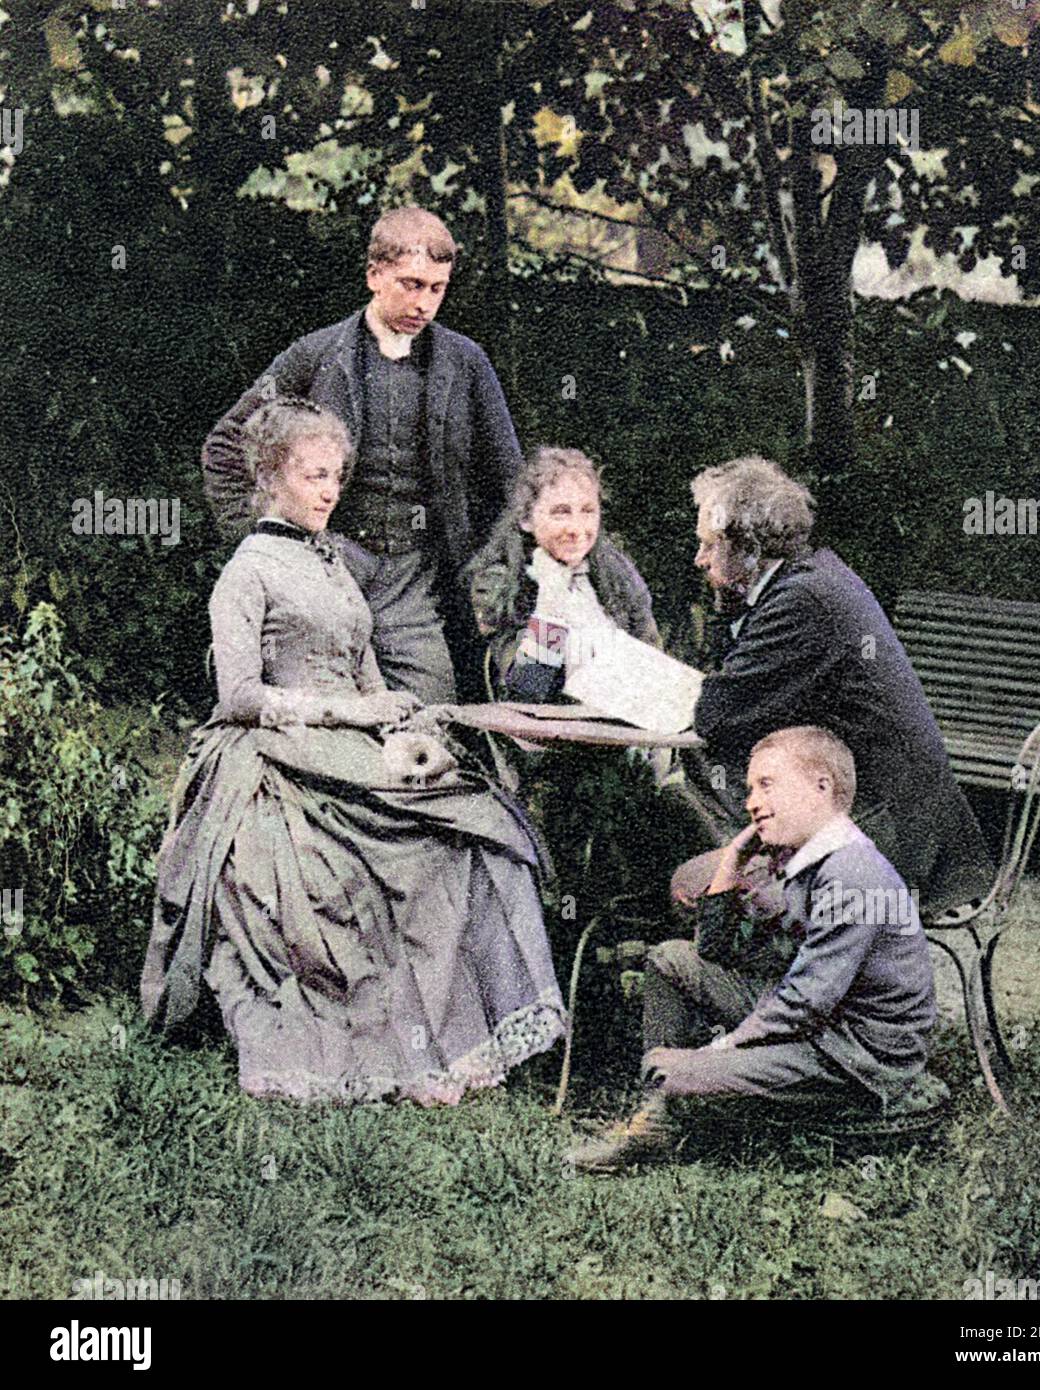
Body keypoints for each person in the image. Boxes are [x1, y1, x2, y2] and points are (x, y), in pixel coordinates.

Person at [142, 399, 565, 1105]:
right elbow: (239, 695)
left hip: (356, 745)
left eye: (337, 475)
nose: (331, 491)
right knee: (344, 874)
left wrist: (396, 725)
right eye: (315, 476)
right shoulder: (248, 570)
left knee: (472, 828)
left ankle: (459, 1038)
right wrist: (348, 712)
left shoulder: (332, 559)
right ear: (272, 479)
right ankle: (379, 1047)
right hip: (276, 755)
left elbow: (363, 661)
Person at [566, 727, 948, 1173]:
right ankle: (664, 1111)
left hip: (855, 1055)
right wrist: (732, 858)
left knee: (673, 1072)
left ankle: (667, 1109)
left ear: (822, 787)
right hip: (817, 1023)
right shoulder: (805, 858)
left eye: (767, 785)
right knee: (670, 961)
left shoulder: (851, 872)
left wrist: (722, 1050)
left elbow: (807, 1001)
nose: (751, 801)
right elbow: (711, 951)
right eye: (750, 789)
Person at [201, 205, 522, 704]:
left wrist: (496, 574)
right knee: (322, 711)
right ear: (375, 275)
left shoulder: (467, 363)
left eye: (437, 288)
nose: (424, 303)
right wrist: (265, 539)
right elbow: (225, 445)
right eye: (411, 284)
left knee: (431, 715)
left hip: (416, 580)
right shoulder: (317, 354)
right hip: (327, 566)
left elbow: (512, 482)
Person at [675, 456, 993, 920]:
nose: (700, 559)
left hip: (890, 843)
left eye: (709, 545)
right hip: (906, 825)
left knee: (690, 886)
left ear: (747, 548)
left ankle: (761, 987)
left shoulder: (801, 601)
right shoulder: (814, 577)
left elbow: (715, 716)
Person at [465, 445, 659, 701]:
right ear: (526, 519)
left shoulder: (616, 575)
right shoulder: (498, 583)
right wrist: (551, 601)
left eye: (588, 511)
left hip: (618, 726)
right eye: (561, 512)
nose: (577, 529)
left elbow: (653, 668)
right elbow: (529, 688)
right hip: (538, 730)